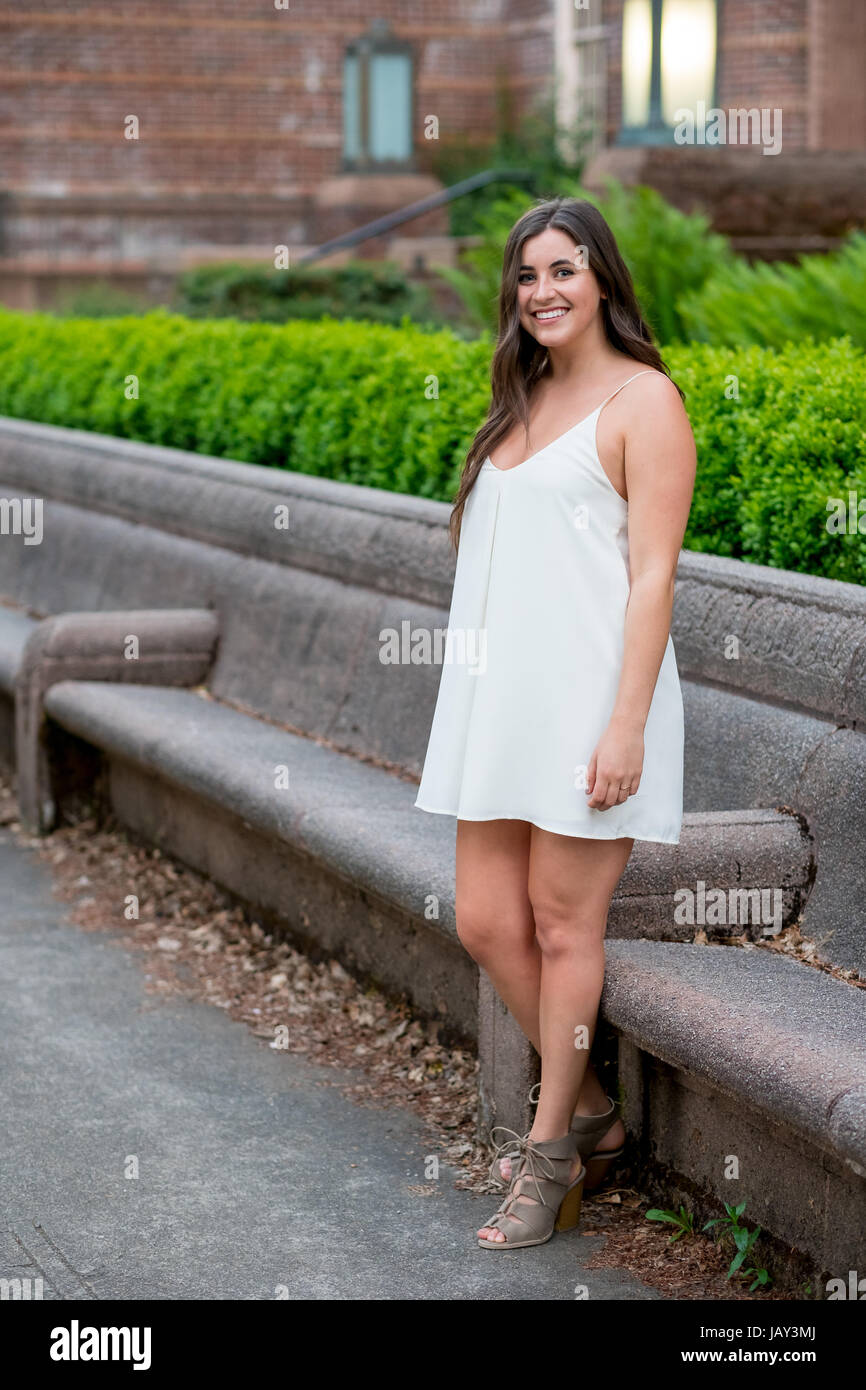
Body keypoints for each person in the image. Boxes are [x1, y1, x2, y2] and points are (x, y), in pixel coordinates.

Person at [413, 196, 696, 1250]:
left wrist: (624, 726)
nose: (542, 290)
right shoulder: (517, 396)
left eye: (563, 270)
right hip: (501, 706)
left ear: (603, 282)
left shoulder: (643, 402)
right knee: (486, 918)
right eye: (526, 274)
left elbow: (652, 576)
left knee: (564, 924)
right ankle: (589, 1111)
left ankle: (550, 1161)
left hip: (592, 705)